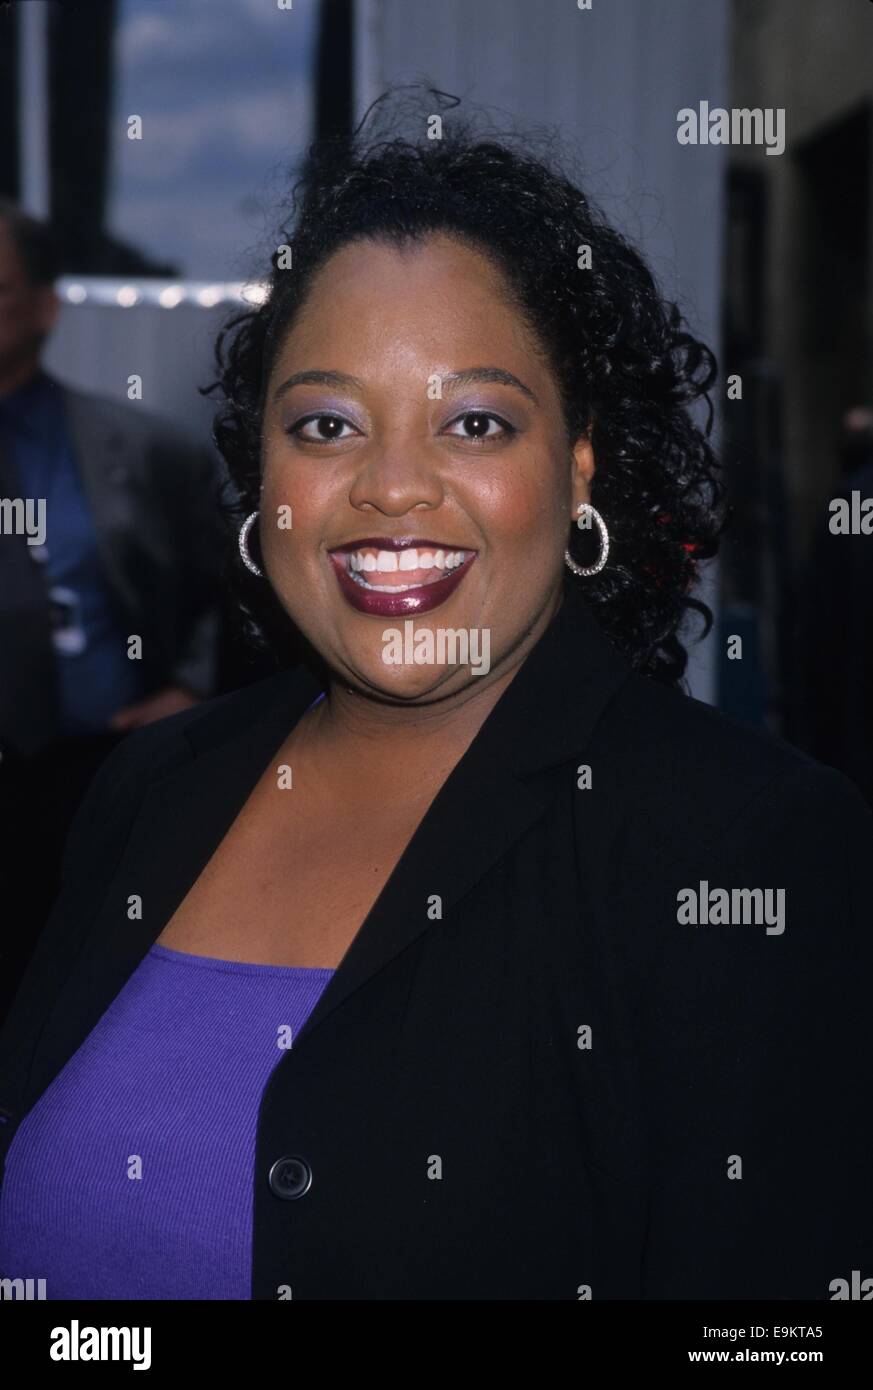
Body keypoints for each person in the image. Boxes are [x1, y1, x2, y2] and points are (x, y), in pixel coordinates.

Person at [0, 97, 870, 1301]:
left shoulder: (744, 842)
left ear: (578, 468)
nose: (392, 485)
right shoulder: (149, 789)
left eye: (473, 421)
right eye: (326, 423)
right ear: (266, 474)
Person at [0, 200, 225, 1015]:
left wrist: (193, 688)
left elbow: (225, 586)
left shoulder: (146, 449)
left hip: (96, 774)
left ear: (46, 305)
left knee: (89, 994)